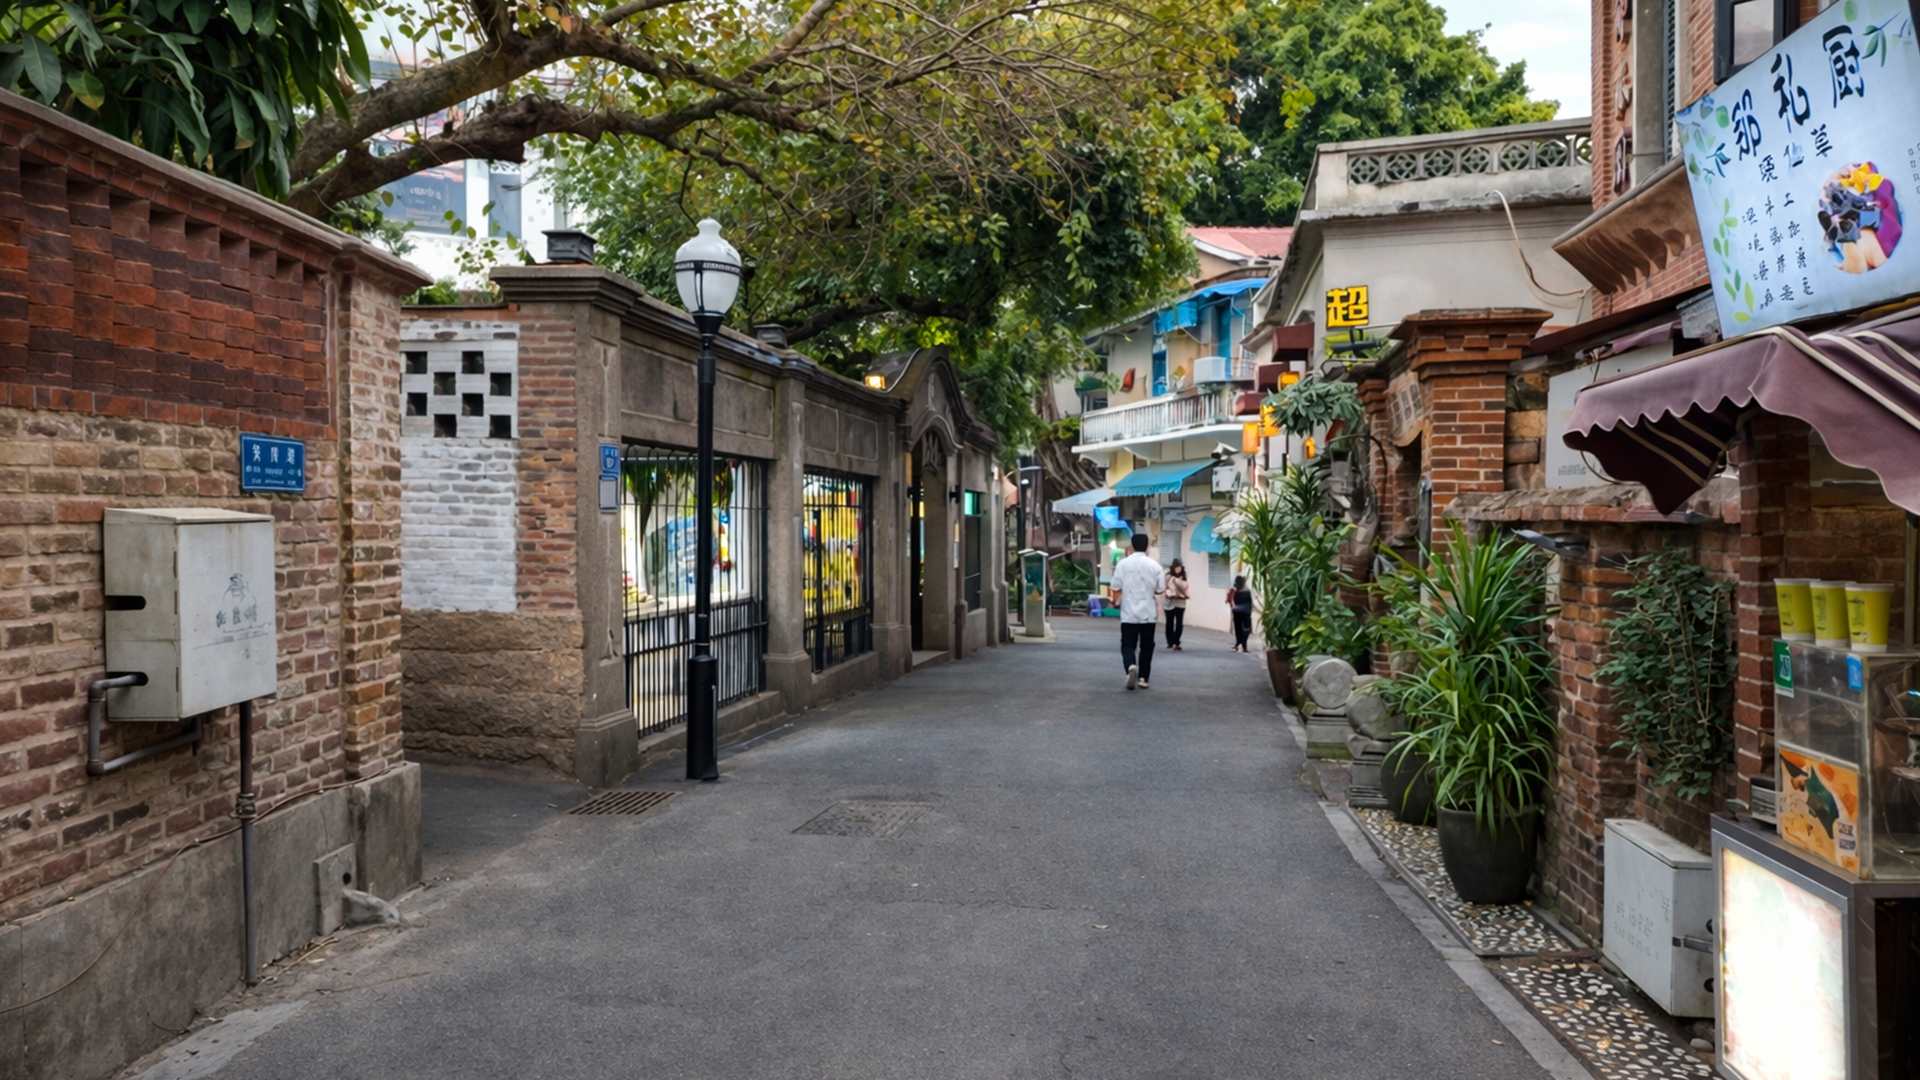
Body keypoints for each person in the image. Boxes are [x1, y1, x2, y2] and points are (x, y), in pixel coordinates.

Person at [1108, 533, 1164, 690]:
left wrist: (1117, 599)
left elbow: (1116, 586)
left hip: (1128, 612)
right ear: (1147, 546)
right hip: (1148, 612)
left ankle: (1131, 666)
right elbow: (1160, 589)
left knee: (1127, 644)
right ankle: (1143, 678)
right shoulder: (1155, 566)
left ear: (1131, 546)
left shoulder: (1122, 565)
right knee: (1147, 646)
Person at [1163, 559, 1190, 650]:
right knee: (1169, 623)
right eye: (1176, 567)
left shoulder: (1184, 576)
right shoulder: (1167, 575)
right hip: (1169, 602)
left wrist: (1178, 581)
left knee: (1179, 623)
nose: (1178, 569)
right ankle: (1170, 642)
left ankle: (1176, 642)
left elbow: (1186, 586)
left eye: (1179, 567)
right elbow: (1163, 587)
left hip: (1180, 602)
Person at [1226, 573, 1253, 652]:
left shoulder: (1235, 590)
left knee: (1238, 629)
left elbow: (1231, 600)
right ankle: (1243, 645)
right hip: (1245, 612)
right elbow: (1249, 603)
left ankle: (1239, 643)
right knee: (1246, 629)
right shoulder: (1247, 591)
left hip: (1237, 611)